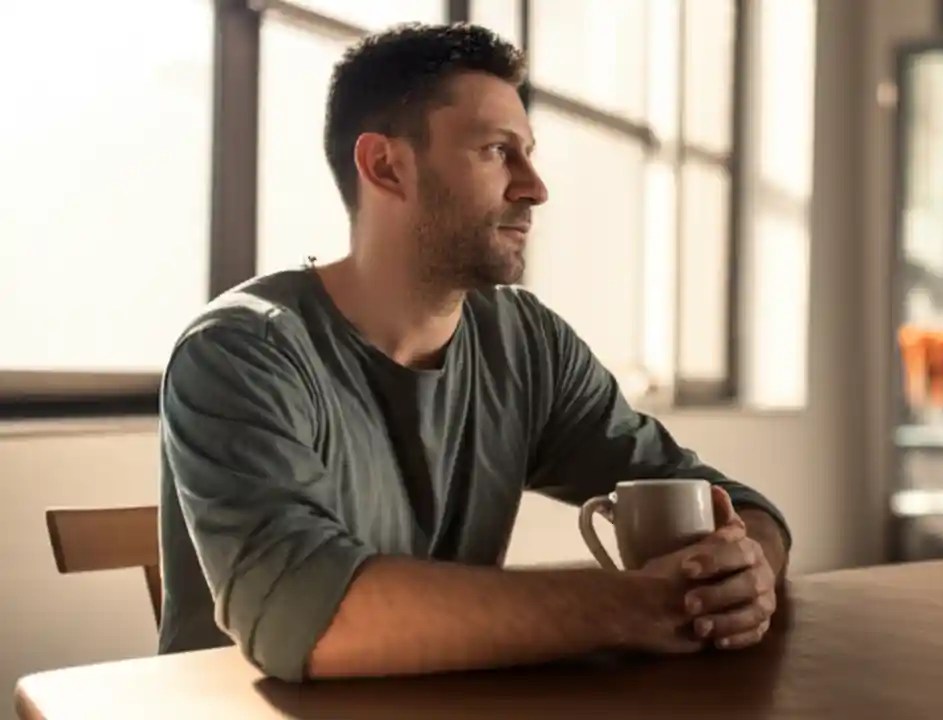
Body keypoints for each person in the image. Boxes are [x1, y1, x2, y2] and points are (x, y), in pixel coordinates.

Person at [157, 22, 790, 683]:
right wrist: (637, 607)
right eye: (496, 151)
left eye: (529, 153)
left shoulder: (526, 342)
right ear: (386, 166)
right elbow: (302, 614)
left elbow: (733, 504)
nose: (534, 187)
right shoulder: (242, 351)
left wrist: (745, 572)